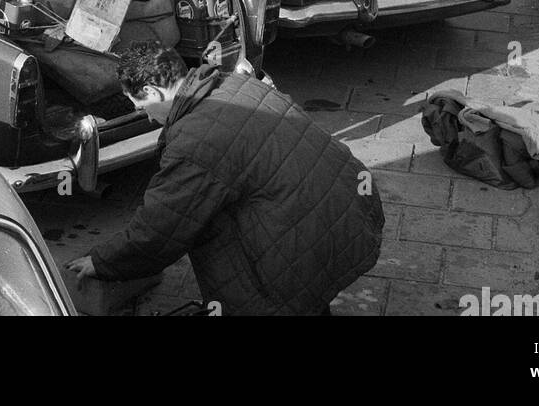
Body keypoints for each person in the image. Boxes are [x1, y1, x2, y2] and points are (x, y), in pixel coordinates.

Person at [70, 44, 384, 316]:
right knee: (306, 293)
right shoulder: (235, 83)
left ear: (153, 92)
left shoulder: (195, 143)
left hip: (310, 237)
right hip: (351, 210)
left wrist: (102, 261)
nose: (149, 116)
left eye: (142, 107)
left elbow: (159, 230)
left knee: (269, 292)